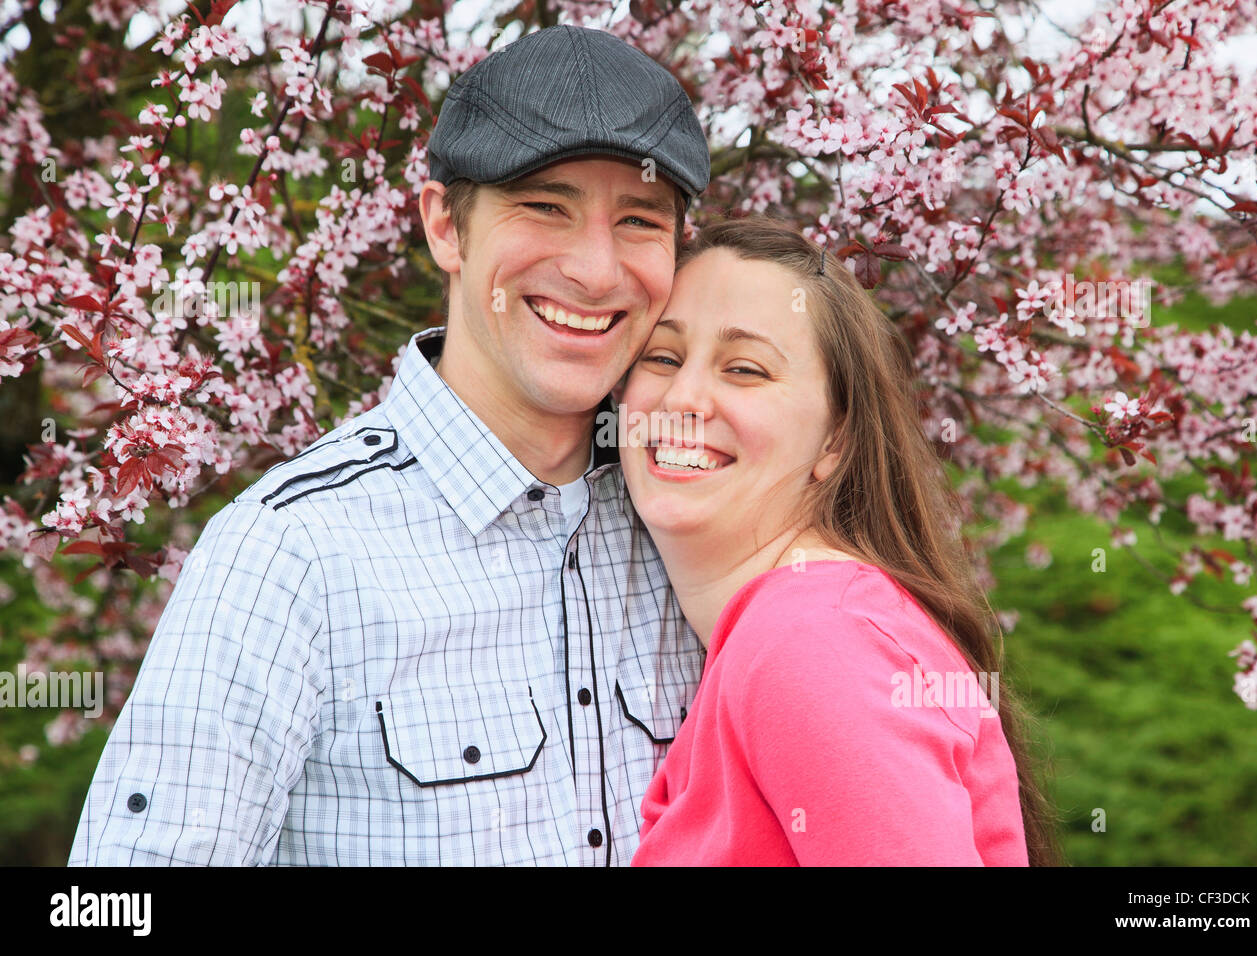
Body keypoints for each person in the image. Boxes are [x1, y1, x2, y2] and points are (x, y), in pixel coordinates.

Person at [69, 25, 711, 866]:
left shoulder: (692, 517)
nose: (596, 270)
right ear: (445, 224)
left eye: (639, 220)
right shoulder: (287, 555)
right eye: (545, 206)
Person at [622, 219, 1059, 866]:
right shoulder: (797, 626)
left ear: (837, 440)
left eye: (745, 369)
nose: (683, 398)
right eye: (662, 357)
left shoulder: (811, 640)